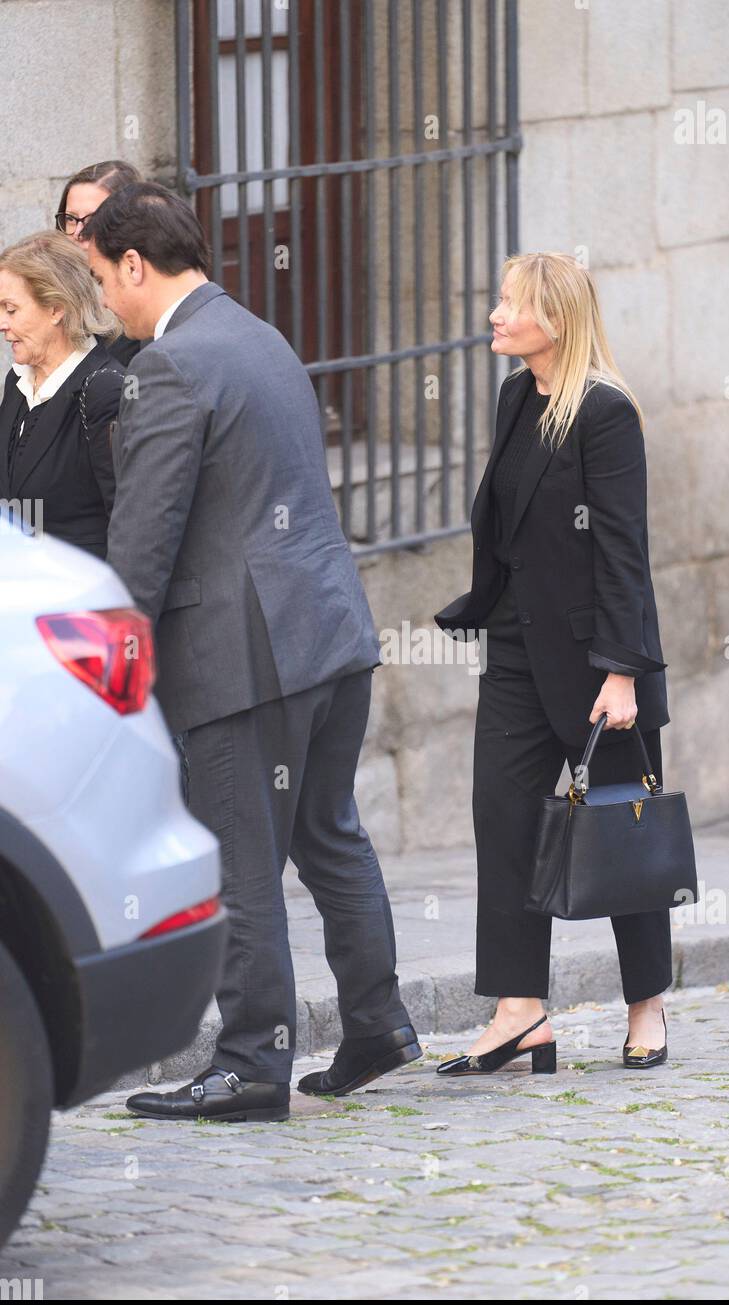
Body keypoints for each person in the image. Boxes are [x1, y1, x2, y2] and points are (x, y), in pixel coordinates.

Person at [83, 183, 421, 1122]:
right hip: (327, 635)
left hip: (244, 658)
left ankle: (251, 1064)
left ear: (137, 265)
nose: (106, 300)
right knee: (329, 837)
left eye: (106, 278)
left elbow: (142, 544)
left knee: (242, 860)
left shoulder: (171, 366)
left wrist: (105, 664)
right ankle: (378, 1024)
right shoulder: (257, 334)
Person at [434, 252, 672, 1077]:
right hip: (515, 652)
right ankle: (519, 1010)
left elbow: (622, 549)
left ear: (556, 321)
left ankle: (646, 1007)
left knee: (621, 831)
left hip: (598, 661)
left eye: (511, 304)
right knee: (501, 818)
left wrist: (623, 671)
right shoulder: (515, 397)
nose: (496, 315)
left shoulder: (604, 413)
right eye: (499, 300)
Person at [0, 231, 124, 557]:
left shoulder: (104, 389)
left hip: (79, 599)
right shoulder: (17, 383)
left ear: (56, 309)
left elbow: (127, 522)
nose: (2, 323)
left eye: (11, 310)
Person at [55, 160, 142, 367]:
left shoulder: (142, 306)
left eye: (93, 219)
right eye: (70, 218)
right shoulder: (56, 289)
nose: (78, 233)